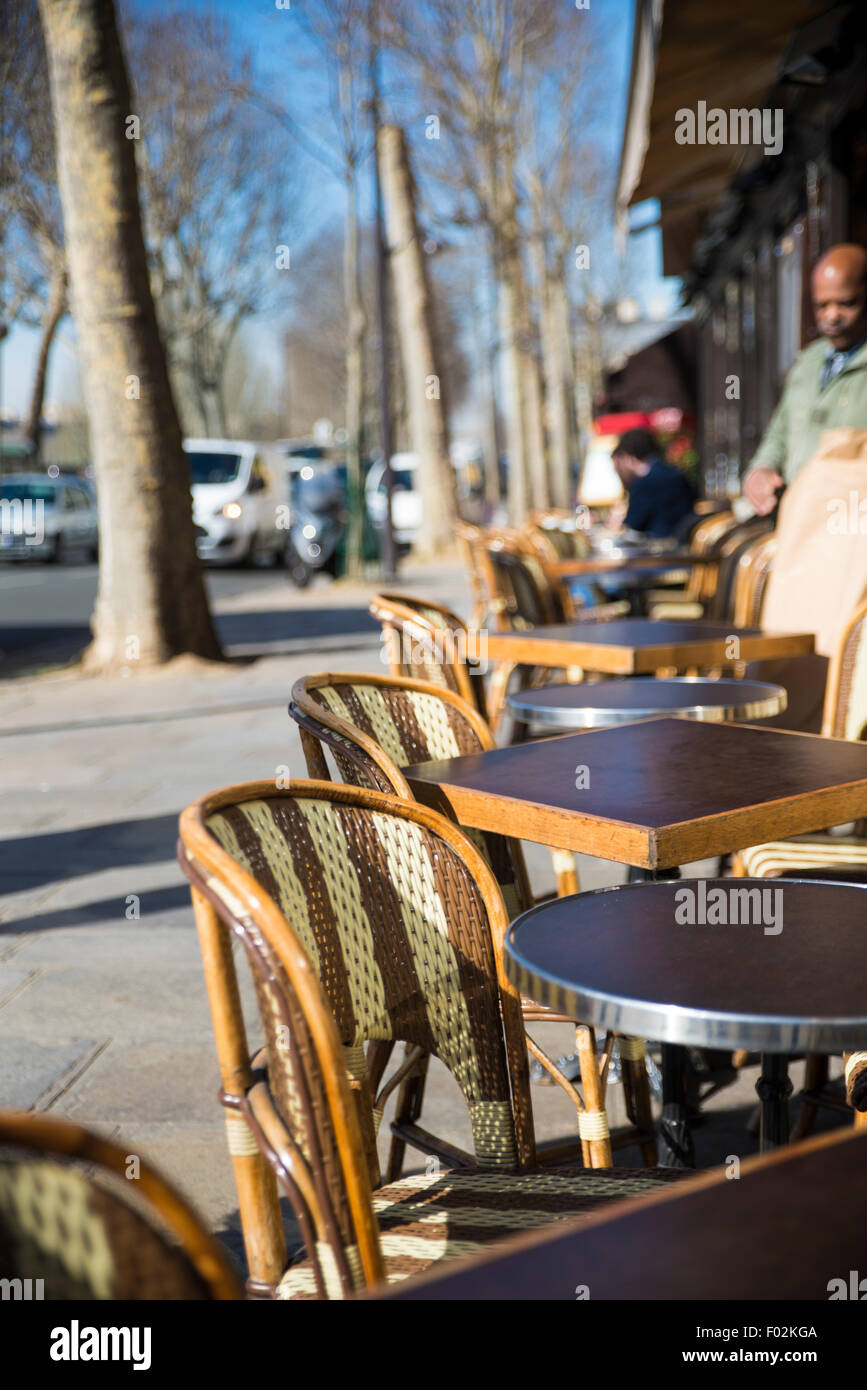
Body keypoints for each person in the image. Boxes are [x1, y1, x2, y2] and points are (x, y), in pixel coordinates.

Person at [743, 243, 867, 514]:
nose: (831, 316)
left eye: (846, 303)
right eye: (822, 305)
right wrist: (761, 470)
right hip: (796, 515)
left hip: (849, 523)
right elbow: (779, 432)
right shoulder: (808, 361)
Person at [609, 427, 696, 539]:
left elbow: (631, 528)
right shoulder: (677, 474)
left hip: (659, 550)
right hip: (684, 546)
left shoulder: (645, 483)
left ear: (627, 458)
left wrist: (616, 523)